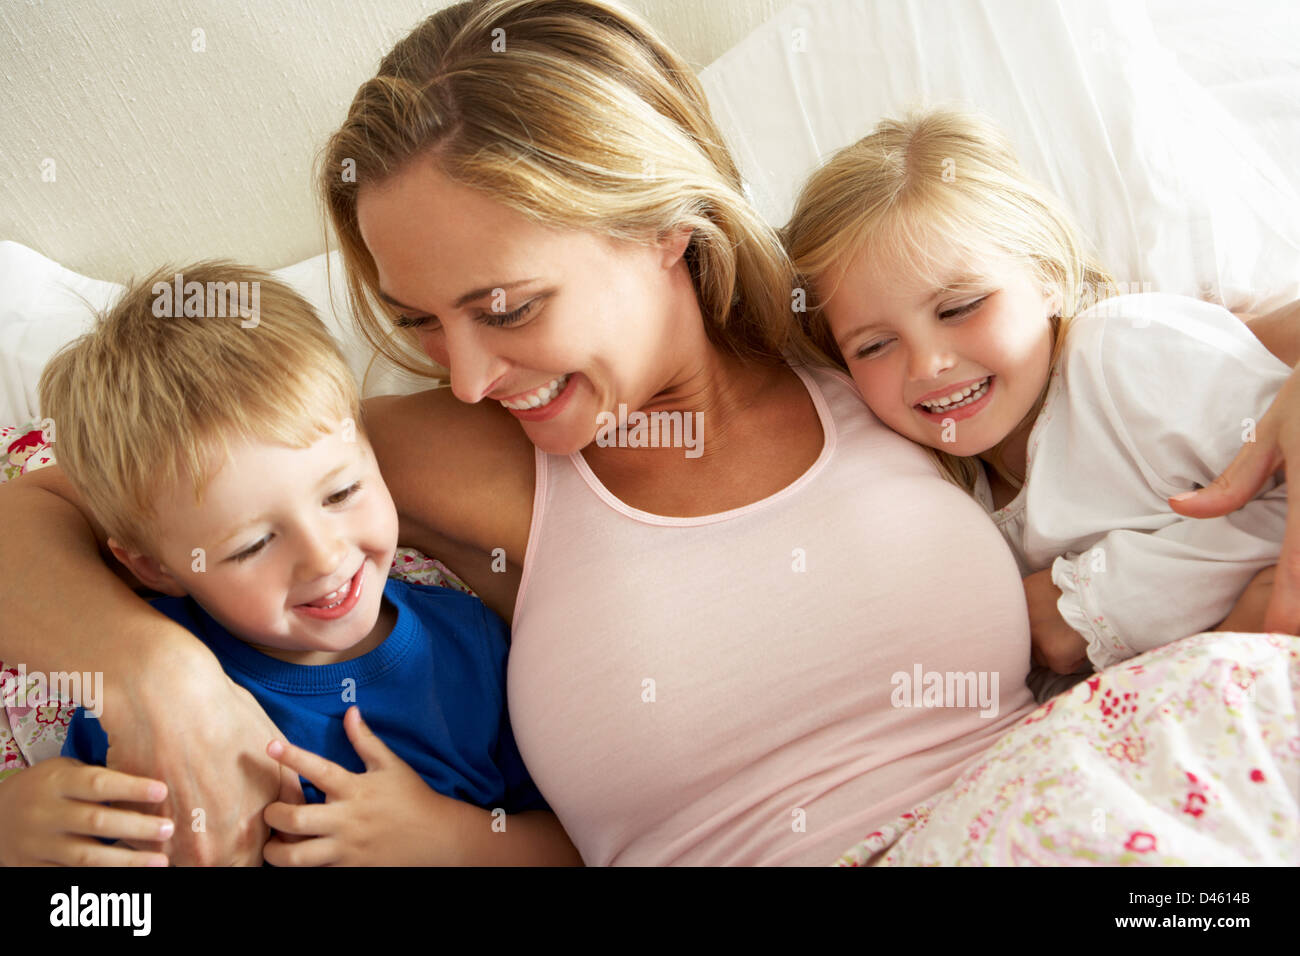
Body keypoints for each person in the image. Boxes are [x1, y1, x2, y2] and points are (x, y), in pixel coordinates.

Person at [0, 0, 1297, 866]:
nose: (462, 375)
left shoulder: (880, 343)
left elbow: (1199, 345)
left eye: (505, 308)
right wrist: (147, 673)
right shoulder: (456, 463)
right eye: (418, 320)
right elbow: (48, 496)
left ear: (664, 227)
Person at [0, 262, 577, 866]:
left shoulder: (473, 646)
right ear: (153, 567)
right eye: (252, 546)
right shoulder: (134, 710)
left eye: (341, 494)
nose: (324, 556)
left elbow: (582, 849)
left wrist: (453, 839)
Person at [781, 108, 1293, 701]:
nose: (926, 365)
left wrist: (1092, 604)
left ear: (1048, 276)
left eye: (959, 307)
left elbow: (1287, 496)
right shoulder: (946, 496)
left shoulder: (1121, 356)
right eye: (873, 346)